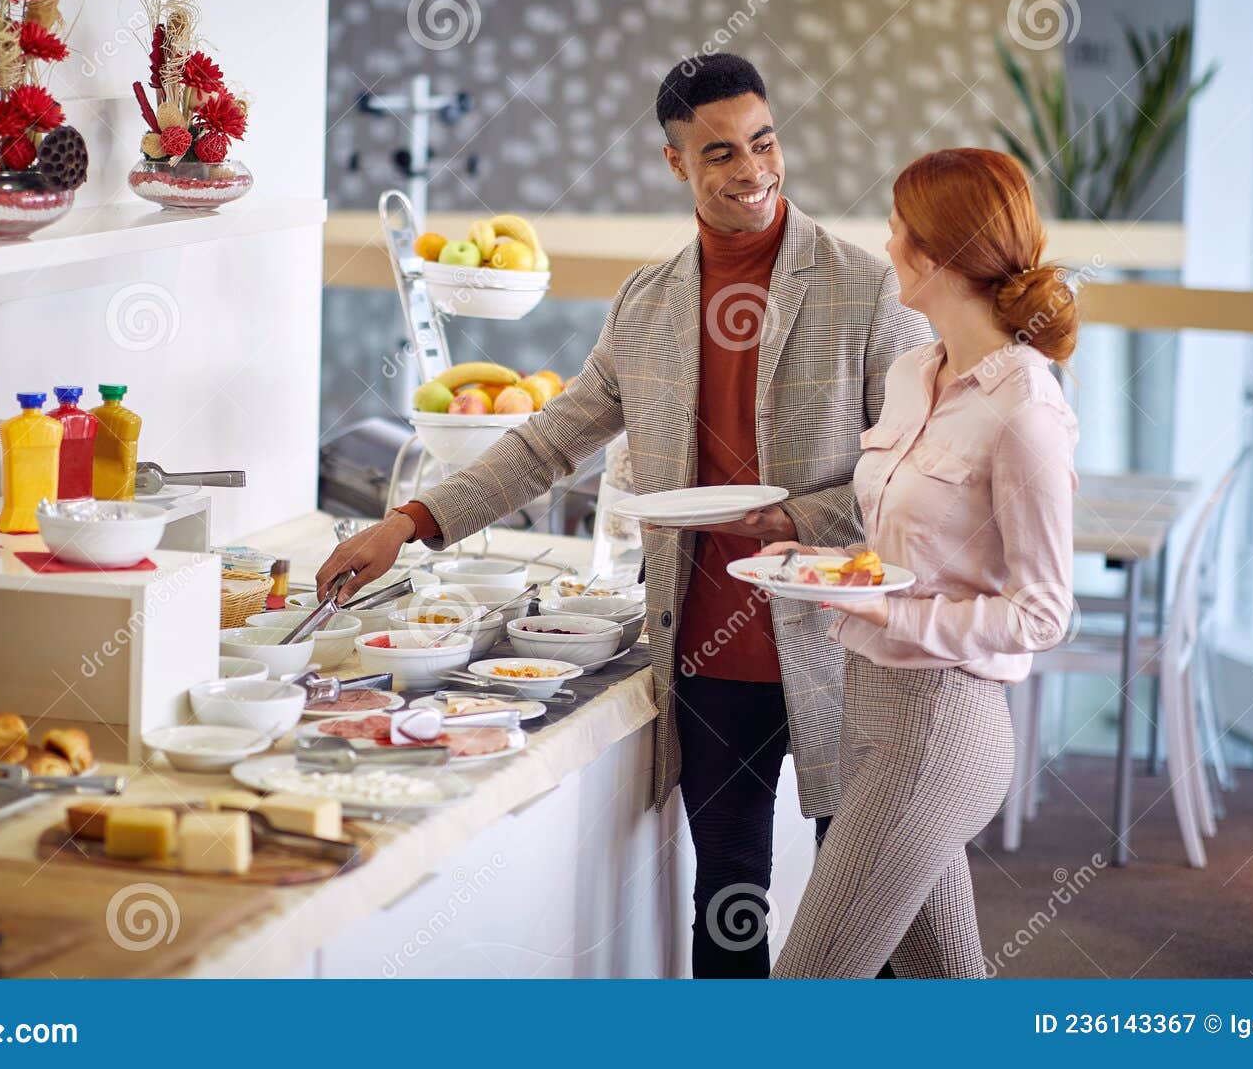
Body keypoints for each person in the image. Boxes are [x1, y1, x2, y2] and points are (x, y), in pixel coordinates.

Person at [317, 53, 930, 978]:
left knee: (872, 907)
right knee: (729, 888)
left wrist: (795, 520)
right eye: (719, 152)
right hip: (710, 649)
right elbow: (547, 441)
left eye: (763, 142)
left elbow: (915, 471)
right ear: (675, 163)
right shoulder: (647, 304)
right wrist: (407, 522)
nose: (752, 170)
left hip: (849, 643)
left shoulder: (866, 287)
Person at [767, 147, 1079, 979]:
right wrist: (824, 562)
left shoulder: (1027, 413)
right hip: (868, 712)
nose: (888, 242)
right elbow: (912, 547)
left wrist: (890, 611)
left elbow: (1042, 613)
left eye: (900, 229)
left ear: (941, 254)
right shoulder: (914, 372)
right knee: (951, 990)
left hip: (940, 729)